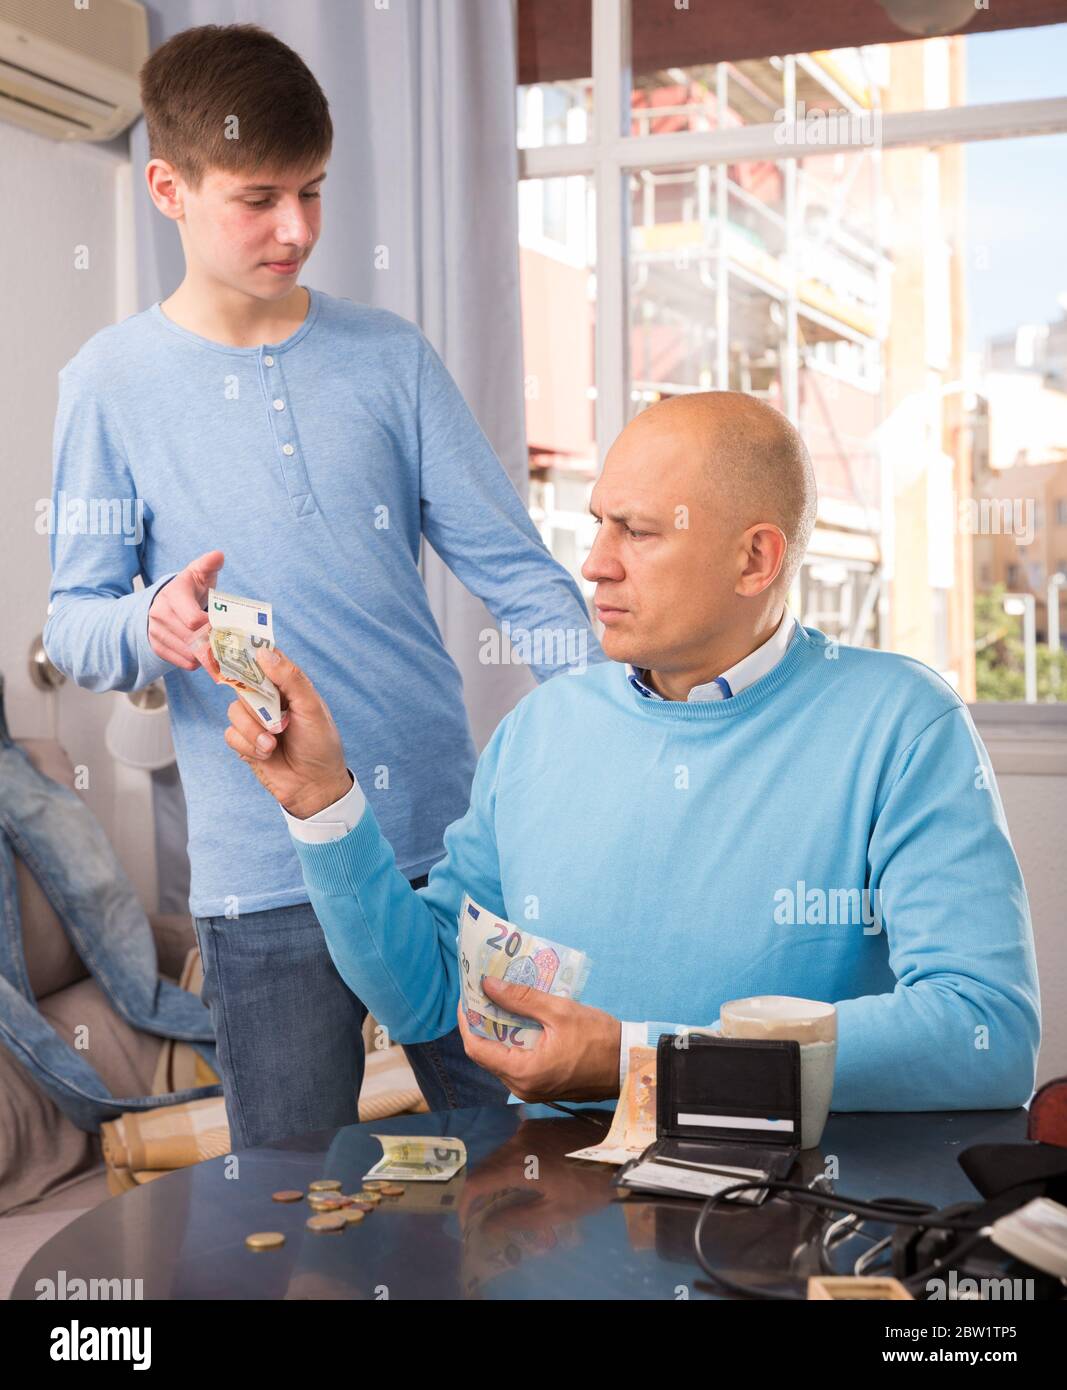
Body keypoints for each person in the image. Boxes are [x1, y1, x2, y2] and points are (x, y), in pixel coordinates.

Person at [43, 23, 603, 1147]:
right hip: (264, 874)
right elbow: (69, 620)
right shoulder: (108, 383)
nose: (295, 229)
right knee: (292, 1203)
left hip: (451, 857)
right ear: (169, 187)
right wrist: (146, 623)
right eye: (259, 198)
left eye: (313, 192)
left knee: (535, 1166)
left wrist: (623, 723)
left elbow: (522, 580)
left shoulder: (389, 357)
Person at [223, 391, 1041, 1112]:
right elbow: (430, 997)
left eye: (637, 532)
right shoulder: (542, 730)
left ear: (754, 558)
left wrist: (640, 1062)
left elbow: (982, 1032)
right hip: (564, 1216)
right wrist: (325, 804)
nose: (594, 564)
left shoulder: (901, 723)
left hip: (791, 1216)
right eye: (597, 525)